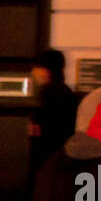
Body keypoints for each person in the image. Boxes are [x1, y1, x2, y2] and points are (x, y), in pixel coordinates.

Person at [29, 48, 78, 178]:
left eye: (36, 67)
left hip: (49, 161)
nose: (33, 72)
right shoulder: (65, 93)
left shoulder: (49, 96)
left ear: (46, 70)